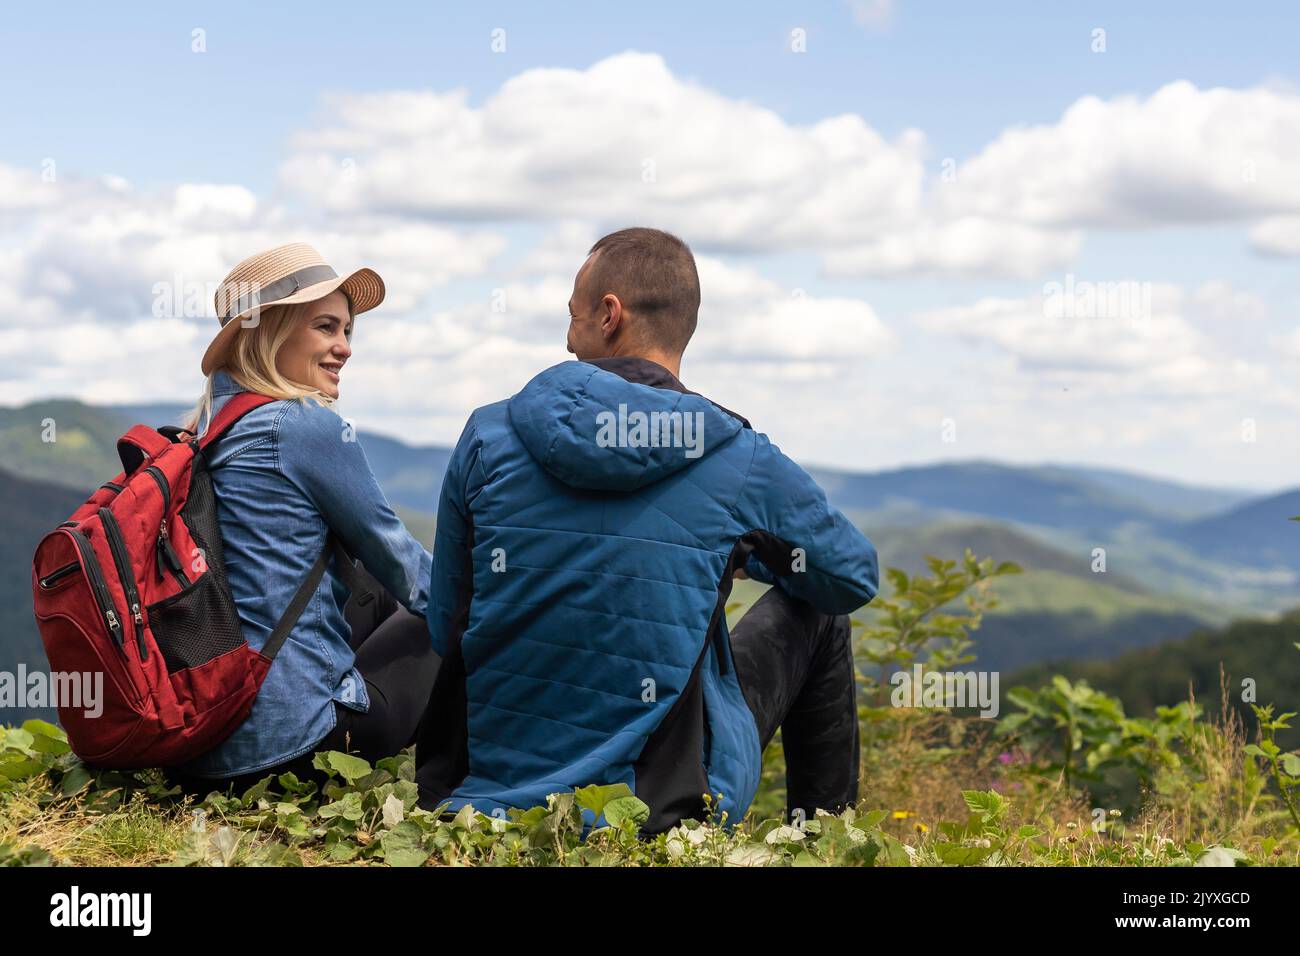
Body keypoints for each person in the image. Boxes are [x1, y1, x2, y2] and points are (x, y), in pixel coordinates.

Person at [416, 227, 879, 831]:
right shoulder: (735, 454)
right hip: (660, 809)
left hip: (480, 795)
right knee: (820, 611)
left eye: (573, 314)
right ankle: (821, 838)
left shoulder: (486, 433)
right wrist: (739, 552)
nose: (567, 334)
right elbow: (852, 576)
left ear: (610, 315)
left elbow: (445, 619)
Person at [166, 242, 439, 797]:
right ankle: (459, 778)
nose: (344, 348)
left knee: (368, 589)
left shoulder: (201, 431)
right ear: (269, 333)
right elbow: (414, 574)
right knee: (446, 607)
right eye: (325, 327)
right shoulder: (302, 425)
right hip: (295, 749)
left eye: (348, 331)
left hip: (200, 748)